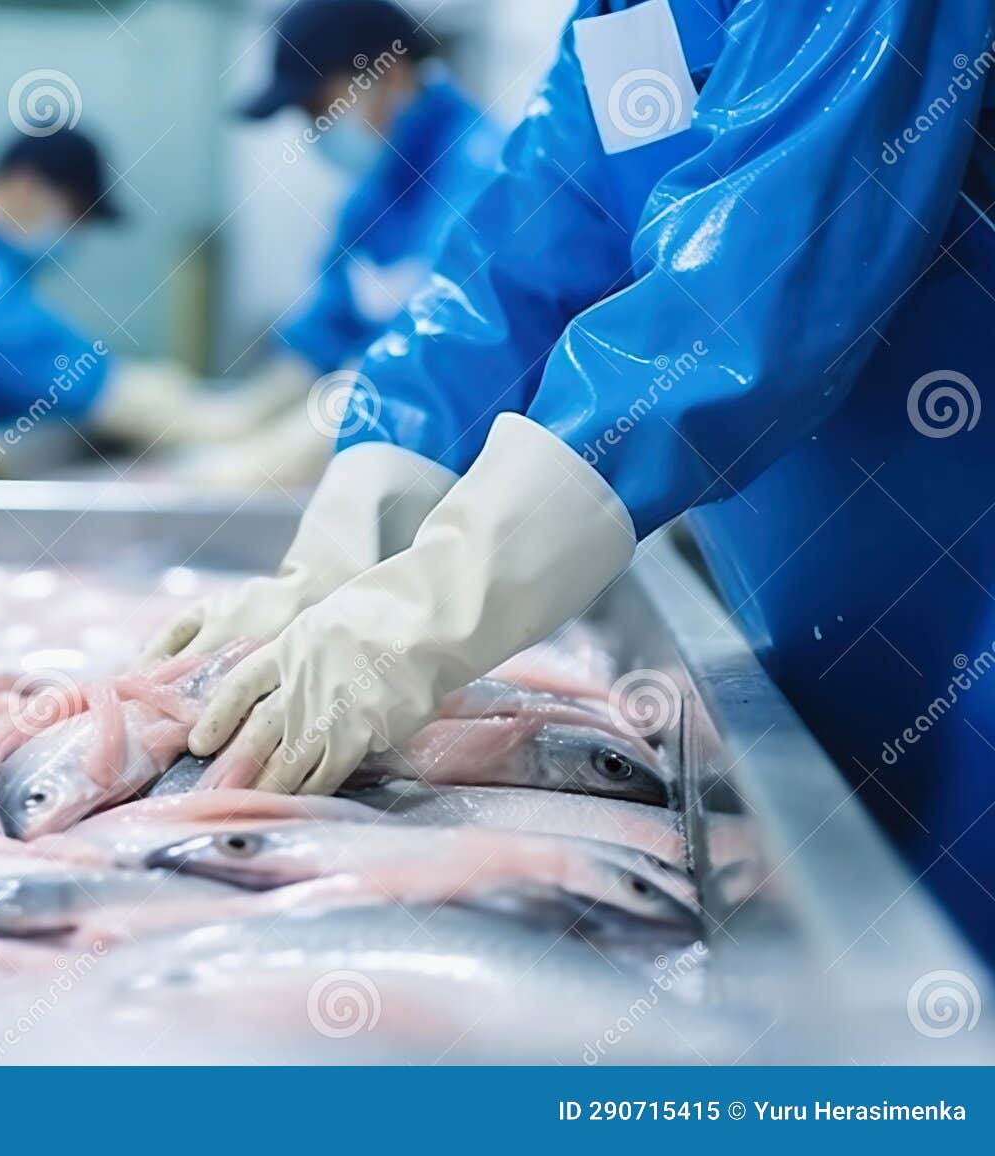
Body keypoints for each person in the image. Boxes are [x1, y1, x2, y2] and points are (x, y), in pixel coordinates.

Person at [149, 0, 995, 956]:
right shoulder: (627, 17)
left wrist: (428, 609)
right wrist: (345, 547)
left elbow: (750, 286)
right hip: (790, 602)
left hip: (958, 600)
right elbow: (518, 269)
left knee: (938, 1004)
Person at [163, 0, 503, 489]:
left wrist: (291, 452)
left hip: (456, 469)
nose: (315, 130)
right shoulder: (372, 198)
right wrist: (243, 420)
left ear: (389, 73)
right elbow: (323, 332)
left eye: (319, 108)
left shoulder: (482, 173)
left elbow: (439, 353)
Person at [0, 128, 256, 467]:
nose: (73, 234)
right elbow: (66, 377)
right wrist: (219, 422)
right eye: (73, 214)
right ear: (27, 185)